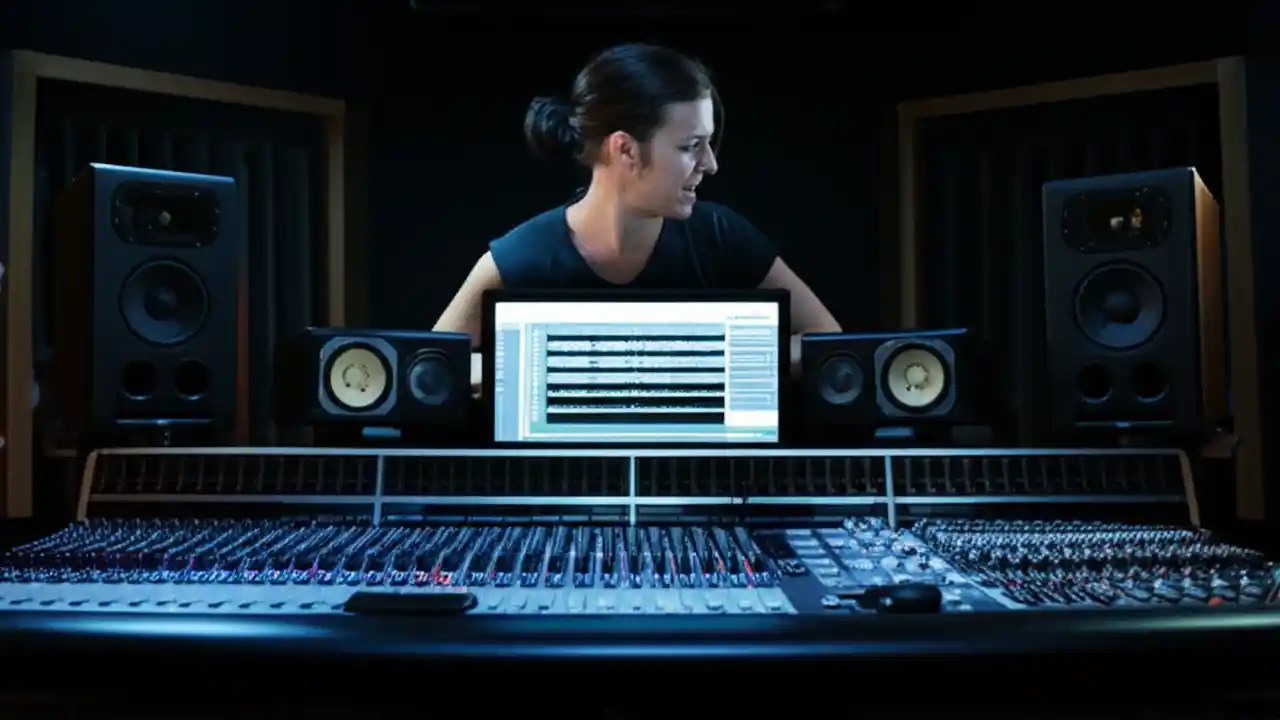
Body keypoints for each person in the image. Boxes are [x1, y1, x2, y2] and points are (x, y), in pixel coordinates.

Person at [433, 42, 841, 391]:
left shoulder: (723, 236)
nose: (711, 164)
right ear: (625, 150)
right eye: (691, 146)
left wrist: (717, 359)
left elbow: (827, 341)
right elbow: (432, 369)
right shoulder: (521, 257)